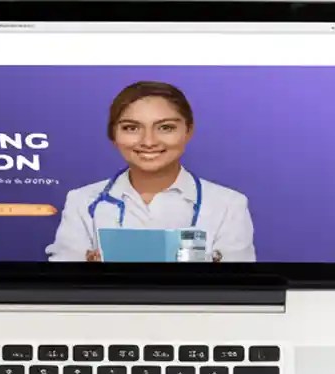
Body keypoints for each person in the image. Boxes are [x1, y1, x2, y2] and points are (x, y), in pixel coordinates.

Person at [46, 81, 256, 262]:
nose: (148, 141)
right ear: (113, 135)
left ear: (189, 131)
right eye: (131, 128)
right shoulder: (82, 202)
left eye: (165, 128)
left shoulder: (229, 205)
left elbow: (237, 288)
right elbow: (65, 283)